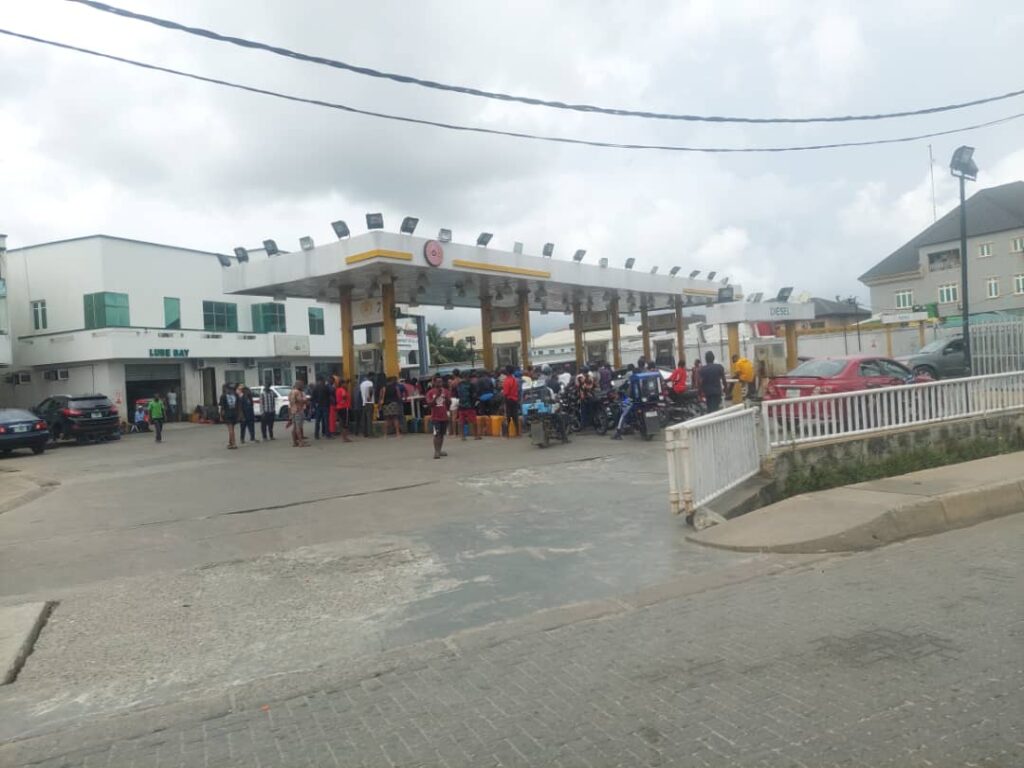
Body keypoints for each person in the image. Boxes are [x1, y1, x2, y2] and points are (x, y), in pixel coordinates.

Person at [424, 375, 451, 459]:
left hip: (444, 416)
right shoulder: (430, 392)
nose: (440, 383)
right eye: (438, 381)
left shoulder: (446, 391)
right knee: (437, 434)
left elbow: (449, 404)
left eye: (441, 381)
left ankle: (440, 450)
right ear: (434, 382)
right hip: (435, 417)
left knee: (442, 434)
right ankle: (436, 451)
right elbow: (430, 404)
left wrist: (446, 398)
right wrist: (436, 396)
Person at [455, 371, 481, 440]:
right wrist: (474, 402)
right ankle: (476, 435)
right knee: (473, 421)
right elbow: (474, 395)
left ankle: (463, 436)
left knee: (462, 421)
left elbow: (457, 395)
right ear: (467, 377)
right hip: (469, 405)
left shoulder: (459, 385)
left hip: (461, 405)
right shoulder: (470, 385)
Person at [501, 365, 520, 437]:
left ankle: (507, 433)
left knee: (508, 416)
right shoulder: (514, 379)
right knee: (515, 415)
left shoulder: (506, 381)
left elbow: (505, 393)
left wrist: (504, 401)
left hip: (508, 399)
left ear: (507, 371)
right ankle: (517, 432)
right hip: (515, 399)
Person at [219, 383, 239, 449]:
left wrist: (221, 416)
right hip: (235, 413)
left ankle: (234, 443)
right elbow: (239, 405)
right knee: (232, 429)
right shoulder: (235, 395)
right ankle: (230, 443)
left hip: (228, 414)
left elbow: (222, 407)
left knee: (230, 430)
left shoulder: (223, 396)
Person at [289, 380, 308, 446]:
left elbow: (290, 402)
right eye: (301, 384)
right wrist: (306, 401)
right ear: (298, 385)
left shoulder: (291, 392)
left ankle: (294, 442)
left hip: (293, 410)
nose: (302, 386)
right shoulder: (298, 392)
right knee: (298, 427)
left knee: (294, 427)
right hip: (298, 410)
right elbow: (300, 401)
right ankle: (301, 442)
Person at [334, 377, 353, 442]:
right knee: (346, 423)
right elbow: (344, 396)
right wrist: (344, 401)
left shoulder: (337, 389)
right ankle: (345, 438)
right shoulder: (342, 390)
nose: (346, 385)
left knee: (342, 422)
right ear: (342, 384)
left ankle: (343, 437)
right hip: (344, 407)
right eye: (345, 383)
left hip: (339, 407)